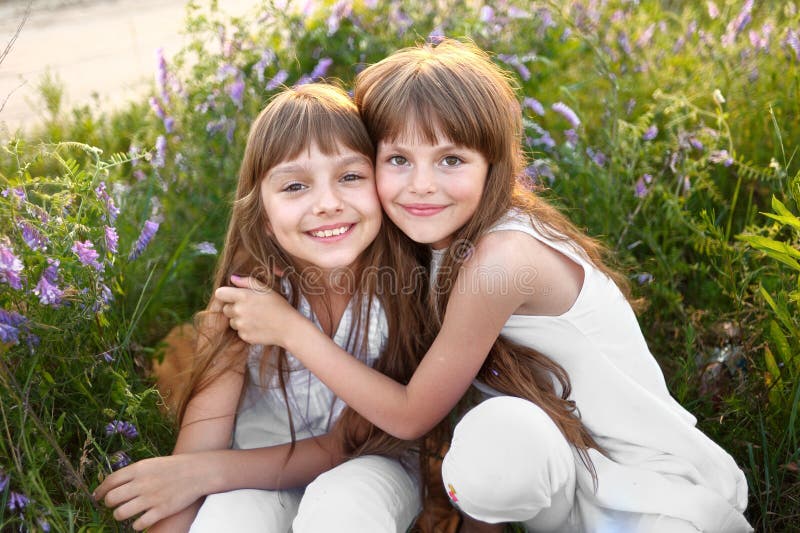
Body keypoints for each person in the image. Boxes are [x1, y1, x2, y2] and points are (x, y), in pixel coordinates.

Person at [217, 40, 753, 532]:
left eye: (451, 160)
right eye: (398, 159)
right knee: (492, 432)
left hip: (648, 487)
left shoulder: (500, 259)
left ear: (492, 165)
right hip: (558, 478)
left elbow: (412, 415)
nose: (421, 184)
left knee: (497, 433)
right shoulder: (434, 245)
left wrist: (291, 330)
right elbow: (481, 424)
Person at [93, 83, 431, 532]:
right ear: (264, 218)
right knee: (224, 524)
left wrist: (208, 472)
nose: (328, 204)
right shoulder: (244, 301)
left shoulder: (403, 291)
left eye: (350, 176)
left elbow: (354, 442)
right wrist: (189, 478)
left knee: (342, 514)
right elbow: (187, 466)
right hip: (252, 469)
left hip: (372, 465)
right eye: (295, 185)